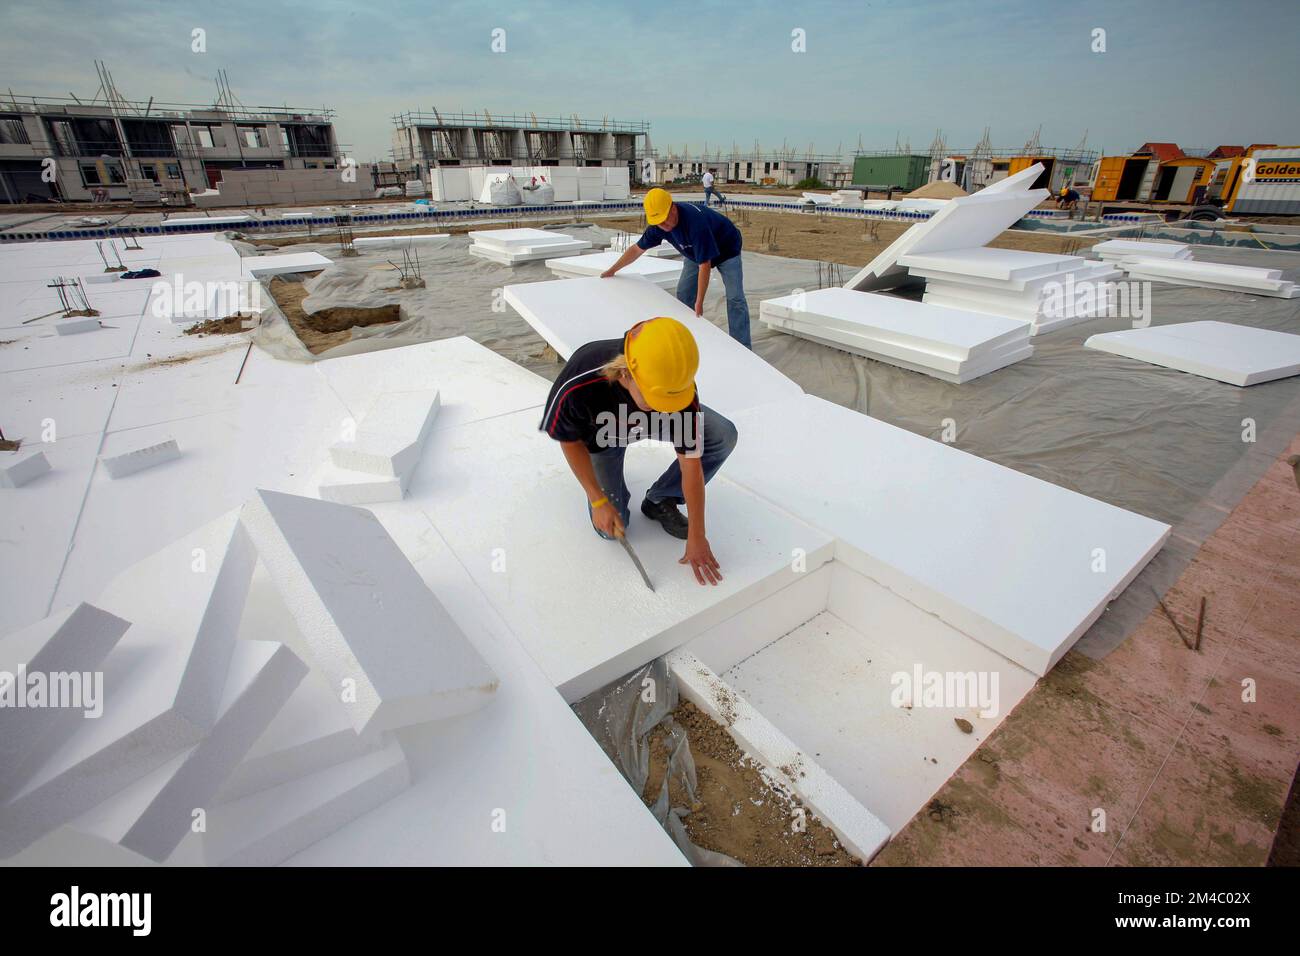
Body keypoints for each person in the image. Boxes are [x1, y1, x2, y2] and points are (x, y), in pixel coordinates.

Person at [538, 317, 738, 586]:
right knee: (612, 530)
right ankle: (611, 488)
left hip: (647, 423)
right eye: (656, 399)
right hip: (603, 437)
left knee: (722, 435)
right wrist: (598, 500)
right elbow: (569, 440)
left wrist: (697, 534)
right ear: (625, 373)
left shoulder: (675, 382)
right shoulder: (581, 380)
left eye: (671, 400)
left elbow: (691, 463)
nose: (665, 408)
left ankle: (661, 499)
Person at [600, 188, 752, 349]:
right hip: (694, 252)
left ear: (673, 208)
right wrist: (613, 270)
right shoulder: (658, 226)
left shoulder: (695, 223)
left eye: (665, 220)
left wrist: (699, 301)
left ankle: (742, 346)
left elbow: (705, 265)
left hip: (727, 249)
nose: (663, 225)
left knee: (735, 297)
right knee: (684, 293)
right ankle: (689, 337)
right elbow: (637, 249)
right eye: (659, 222)